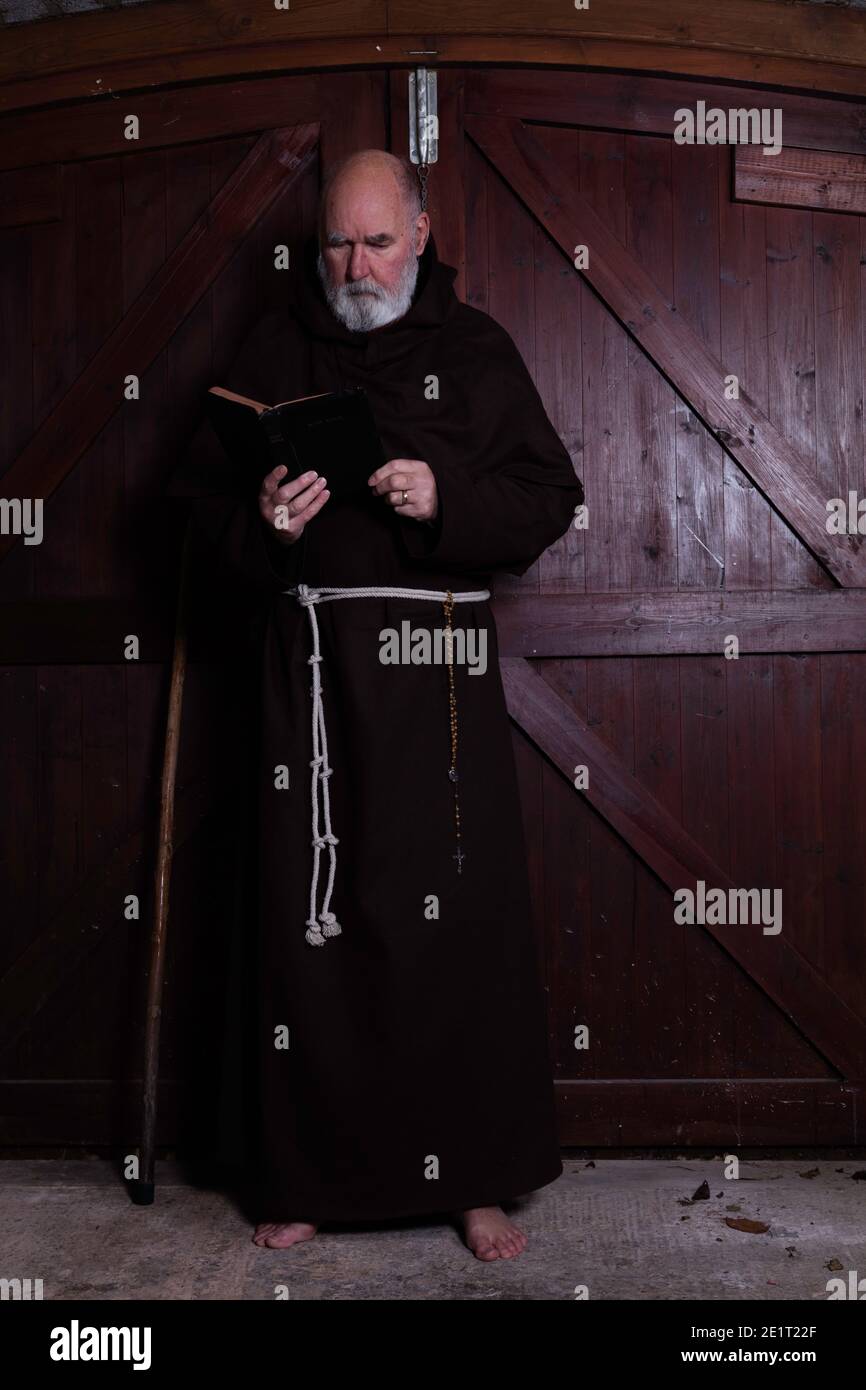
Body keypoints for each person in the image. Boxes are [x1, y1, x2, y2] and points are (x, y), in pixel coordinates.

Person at [169, 149, 584, 1261]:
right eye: (339, 245)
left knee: (450, 933)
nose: (357, 267)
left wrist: (447, 495)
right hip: (307, 682)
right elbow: (193, 514)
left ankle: (473, 1180)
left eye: (378, 242)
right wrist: (266, 521)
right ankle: (309, 1176)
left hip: (434, 684)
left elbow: (551, 496)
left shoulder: (476, 350)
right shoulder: (274, 350)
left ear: (422, 233)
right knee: (310, 928)